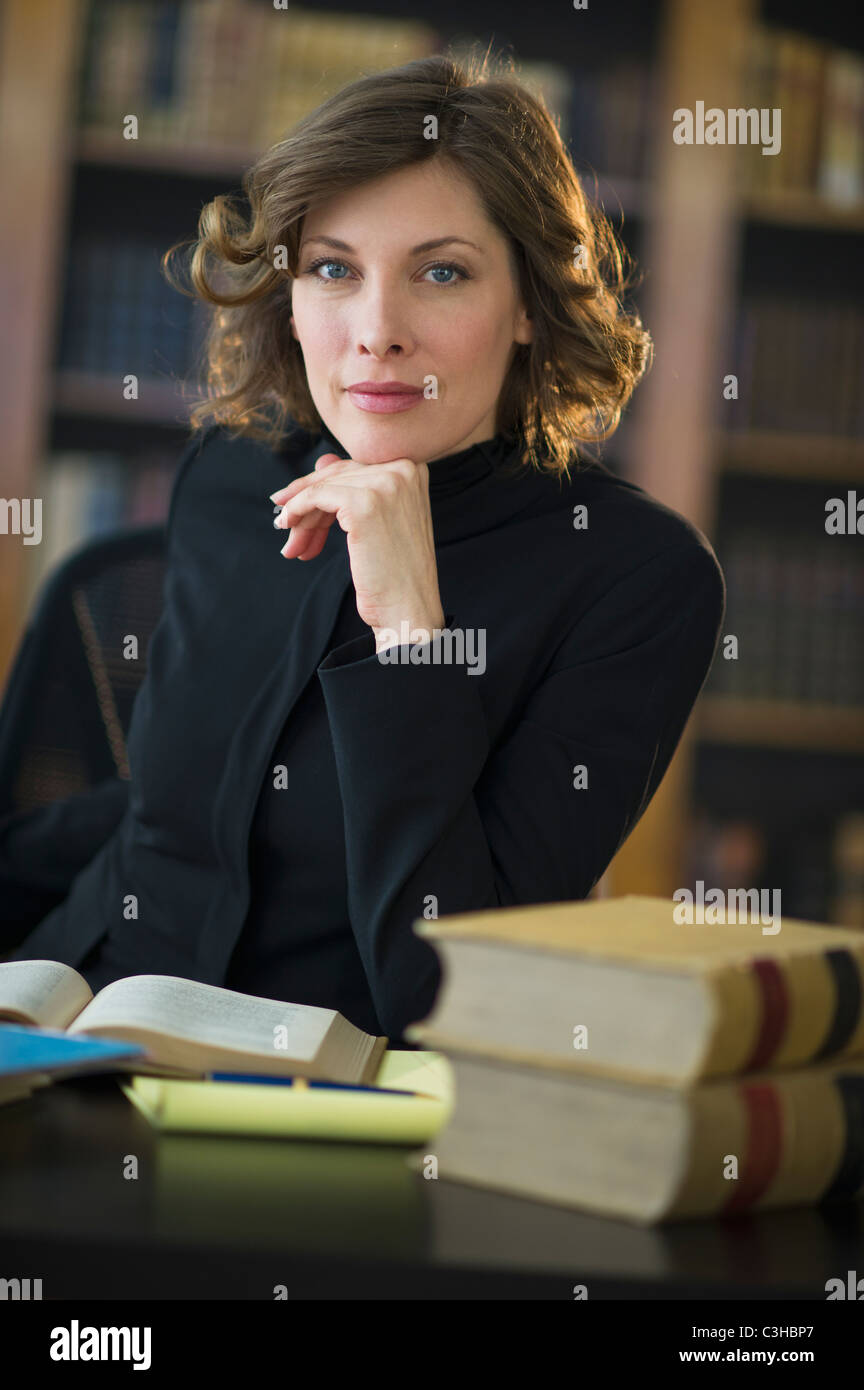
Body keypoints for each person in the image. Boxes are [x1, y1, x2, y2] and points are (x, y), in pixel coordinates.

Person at [0, 53, 725, 1045]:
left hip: (330, 1100)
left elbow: (446, 993)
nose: (377, 331)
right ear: (289, 300)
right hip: (74, 1024)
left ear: (527, 307)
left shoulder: (637, 577)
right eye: (334, 268)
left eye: (441, 272)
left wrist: (409, 637)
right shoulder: (230, 476)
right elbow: (170, 815)